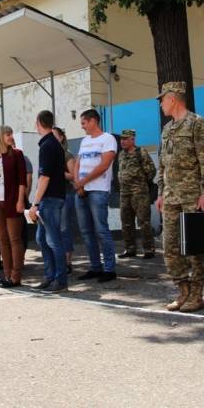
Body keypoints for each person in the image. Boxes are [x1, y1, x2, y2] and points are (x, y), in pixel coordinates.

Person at [155, 82, 204, 313]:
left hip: (193, 196)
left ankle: (197, 293)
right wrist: (161, 192)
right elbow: (162, 164)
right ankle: (183, 290)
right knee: (170, 246)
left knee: (196, 247)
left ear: (173, 99)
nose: (161, 104)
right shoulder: (167, 129)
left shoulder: (196, 123)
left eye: (163, 99)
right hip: (171, 196)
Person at [73, 109, 118, 282]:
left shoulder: (108, 139)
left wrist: (82, 182)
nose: (82, 127)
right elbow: (78, 163)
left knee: (101, 230)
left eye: (83, 123)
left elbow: (104, 165)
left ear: (93, 121)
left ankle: (109, 268)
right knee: (86, 231)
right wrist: (78, 183)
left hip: (98, 190)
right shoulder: (85, 141)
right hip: (82, 190)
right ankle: (95, 267)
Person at [28, 110, 68, 292]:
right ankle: (50, 276)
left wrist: (35, 203)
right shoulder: (54, 144)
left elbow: (45, 177)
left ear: (38, 123)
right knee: (42, 238)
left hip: (50, 199)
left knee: (52, 240)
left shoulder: (47, 145)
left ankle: (60, 280)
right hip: (54, 197)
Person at [0, 125, 27, 288]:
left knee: (15, 239)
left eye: (11, 133)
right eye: (7, 134)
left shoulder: (17, 154)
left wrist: (20, 200)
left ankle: (16, 276)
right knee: (2, 239)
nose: (10, 136)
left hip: (12, 201)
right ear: (0, 136)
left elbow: (22, 180)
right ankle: (7, 275)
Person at [117, 129, 157, 259]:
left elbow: (151, 171)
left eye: (125, 139)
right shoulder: (121, 155)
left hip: (139, 193)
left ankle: (149, 249)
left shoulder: (141, 152)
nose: (122, 141)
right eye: (121, 139)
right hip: (124, 193)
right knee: (126, 222)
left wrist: (141, 183)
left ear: (132, 139)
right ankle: (130, 249)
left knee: (143, 221)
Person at [53, 126, 76, 272]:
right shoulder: (49, 154)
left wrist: (57, 172)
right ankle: (57, 260)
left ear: (61, 138)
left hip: (66, 195)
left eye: (55, 135)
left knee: (64, 229)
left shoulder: (67, 155)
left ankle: (67, 262)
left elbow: (73, 176)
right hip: (52, 197)